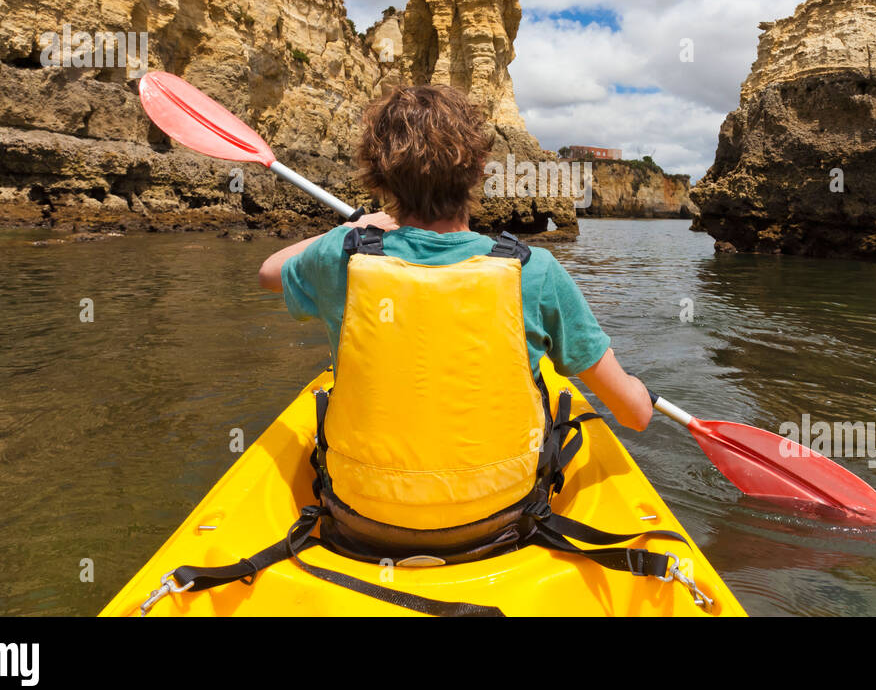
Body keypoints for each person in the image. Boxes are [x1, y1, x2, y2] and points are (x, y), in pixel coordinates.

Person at [256, 84, 652, 556]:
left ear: (378, 178)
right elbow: (636, 414)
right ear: (479, 170)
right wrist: (640, 392)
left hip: (359, 519)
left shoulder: (339, 258)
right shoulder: (535, 271)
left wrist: (350, 229)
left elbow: (269, 273)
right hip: (498, 523)